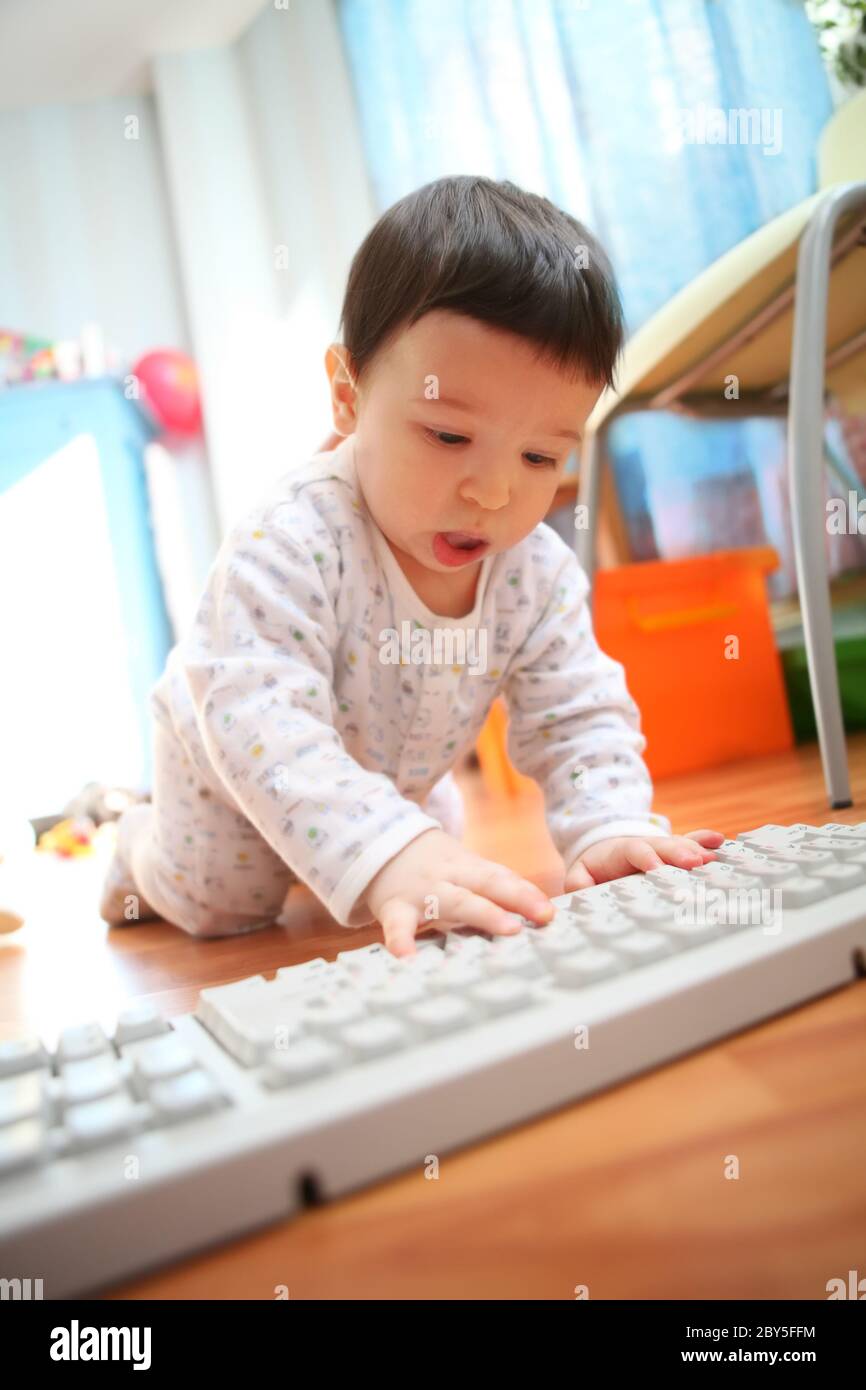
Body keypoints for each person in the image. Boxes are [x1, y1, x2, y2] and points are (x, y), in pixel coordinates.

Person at [99, 175, 723, 956]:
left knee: (429, 858)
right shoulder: (290, 538)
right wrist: (391, 850)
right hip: (229, 771)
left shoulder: (534, 571)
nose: (494, 491)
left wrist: (609, 824)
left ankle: (389, 835)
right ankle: (135, 844)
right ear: (348, 394)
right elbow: (262, 717)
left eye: (539, 455)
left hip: (393, 777)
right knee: (224, 907)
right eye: (448, 437)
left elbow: (578, 712)